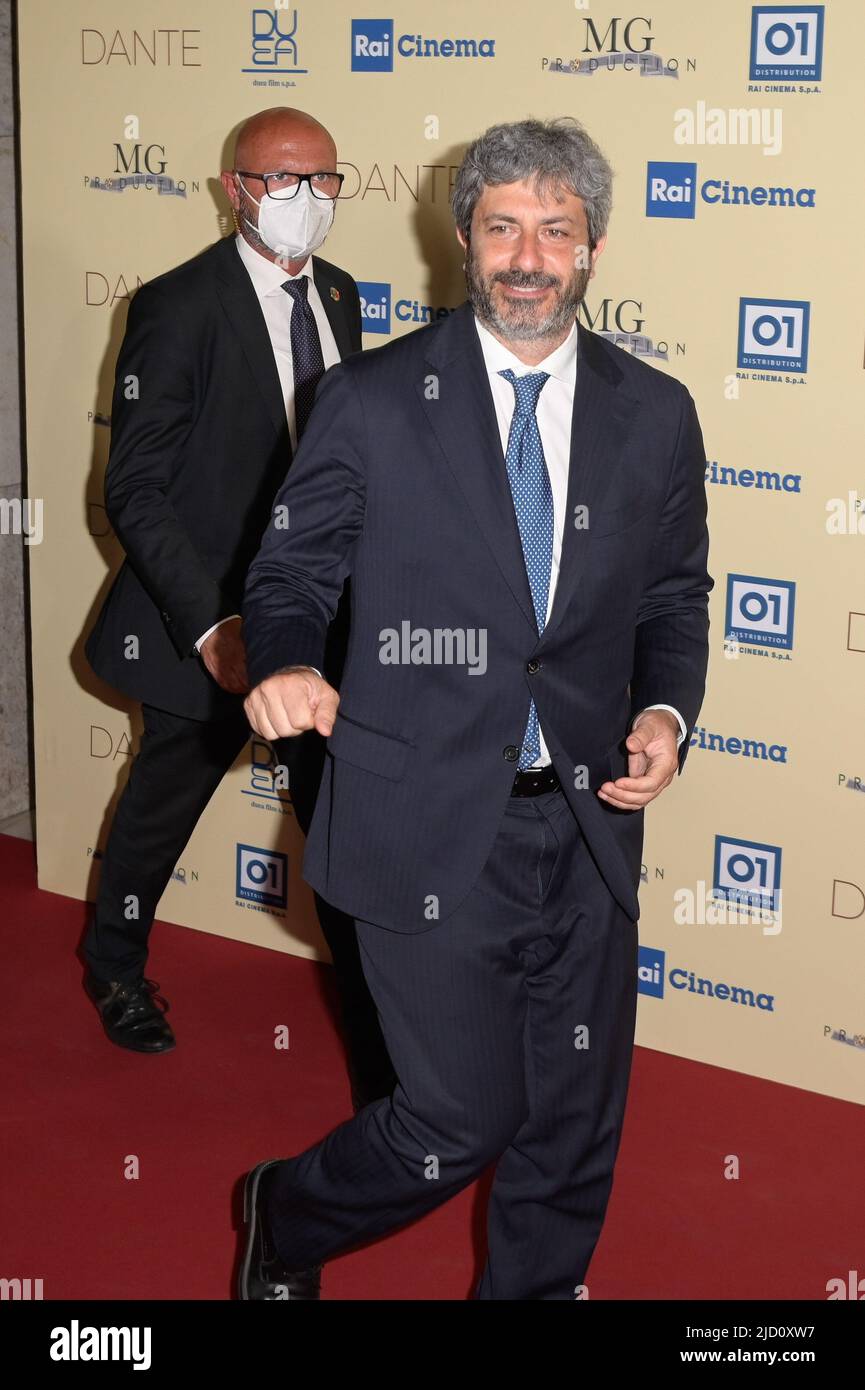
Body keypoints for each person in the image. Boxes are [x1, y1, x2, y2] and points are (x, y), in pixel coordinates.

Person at [237, 116, 712, 1300]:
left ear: (594, 246)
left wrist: (665, 713)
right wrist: (289, 656)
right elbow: (291, 572)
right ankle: (283, 1213)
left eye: (555, 229)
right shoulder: (374, 399)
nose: (527, 255)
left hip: (589, 822)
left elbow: (672, 595)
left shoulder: (652, 413)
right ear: (462, 241)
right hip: (424, 816)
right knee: (459, 1118)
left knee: (573, 1123)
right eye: (501, 226)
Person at [83, 106, 395, 1110]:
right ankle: (114, 964)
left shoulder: (341, 295)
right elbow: (137, 487)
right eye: (281, 181)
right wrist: (217, 624)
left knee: (342, 823)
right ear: (236, 189)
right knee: (158, 809)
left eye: (324, 181)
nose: (305, 201)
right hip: (207, 624)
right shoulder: (178, 305)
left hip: (317, 622)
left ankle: (380, 1017)